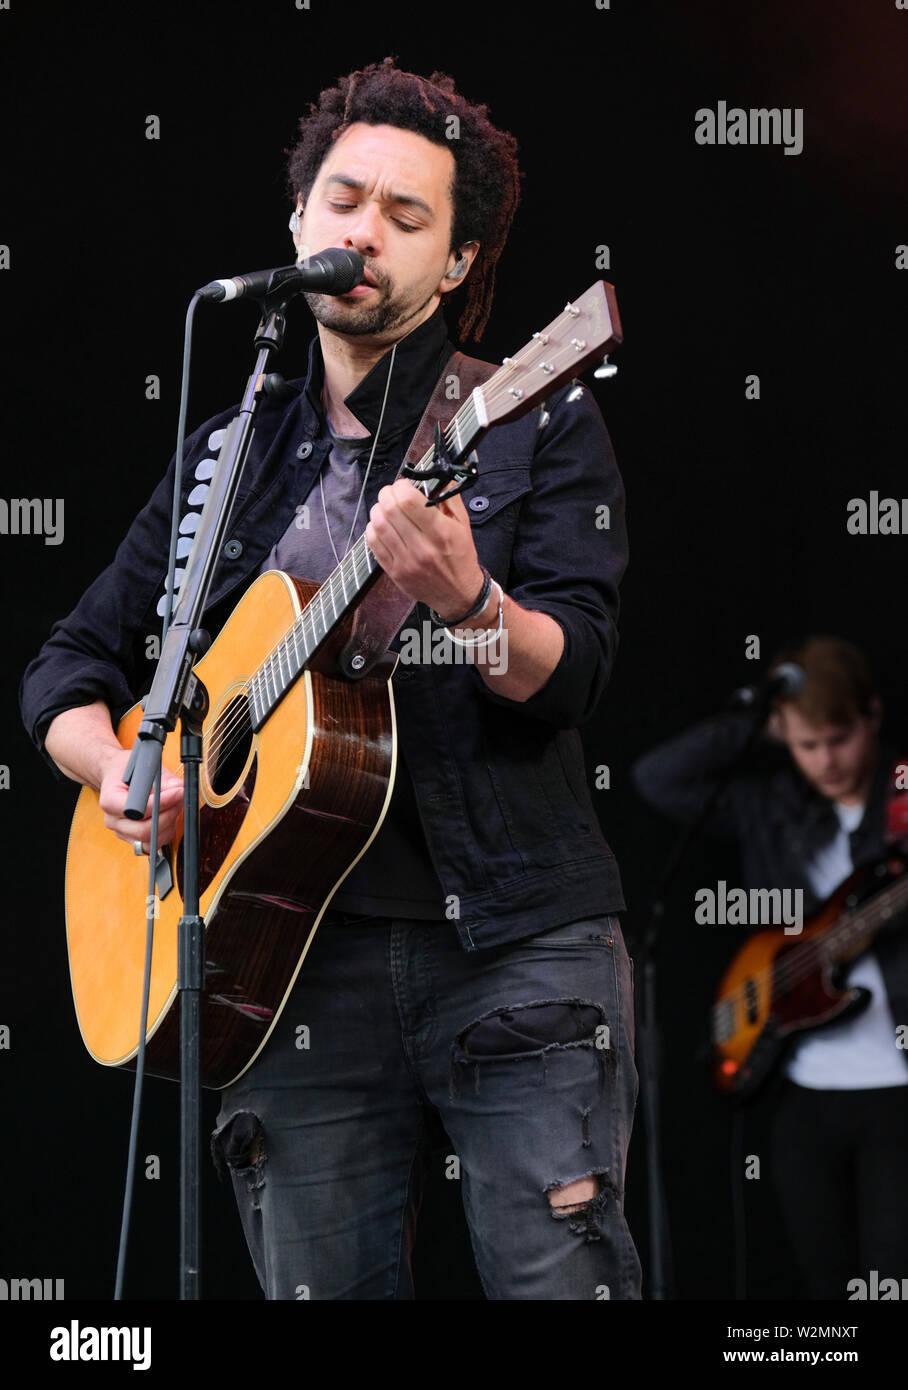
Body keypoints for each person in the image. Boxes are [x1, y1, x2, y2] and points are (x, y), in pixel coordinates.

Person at [20, 59, 639, 1301]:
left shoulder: (522, 421)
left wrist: (468, 602)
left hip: (512, 945)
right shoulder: (230, 445)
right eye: (345, 200)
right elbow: (66, 668)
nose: (366, 230)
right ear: (297, 224)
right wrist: (126, 770)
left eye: (408, 217)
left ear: (456, 266)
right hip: (286, 962)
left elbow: (575, 671)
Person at [632, 635, 908, 1299]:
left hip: (897, 1094)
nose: (825, 760)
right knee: (822, 1288)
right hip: (801, 1091)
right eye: (807, 744)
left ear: (871, 716)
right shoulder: (770, 802)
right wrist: (763, 718)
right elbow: (656, 777)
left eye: (838, 738)